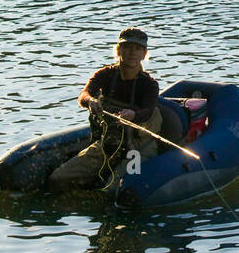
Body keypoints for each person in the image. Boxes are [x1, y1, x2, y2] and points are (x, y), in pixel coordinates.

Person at [48, 27, 163, 190]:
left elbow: (148, 111)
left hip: (137, 149)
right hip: (107, 143)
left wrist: (133, 115)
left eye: (137, 49)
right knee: (58, 178)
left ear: (144, 54)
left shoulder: (149, 84)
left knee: (114, 190)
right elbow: (84, 95)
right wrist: (91, 101)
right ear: (118, 50)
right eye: (127, 47)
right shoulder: (105, 74)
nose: (132, 52)